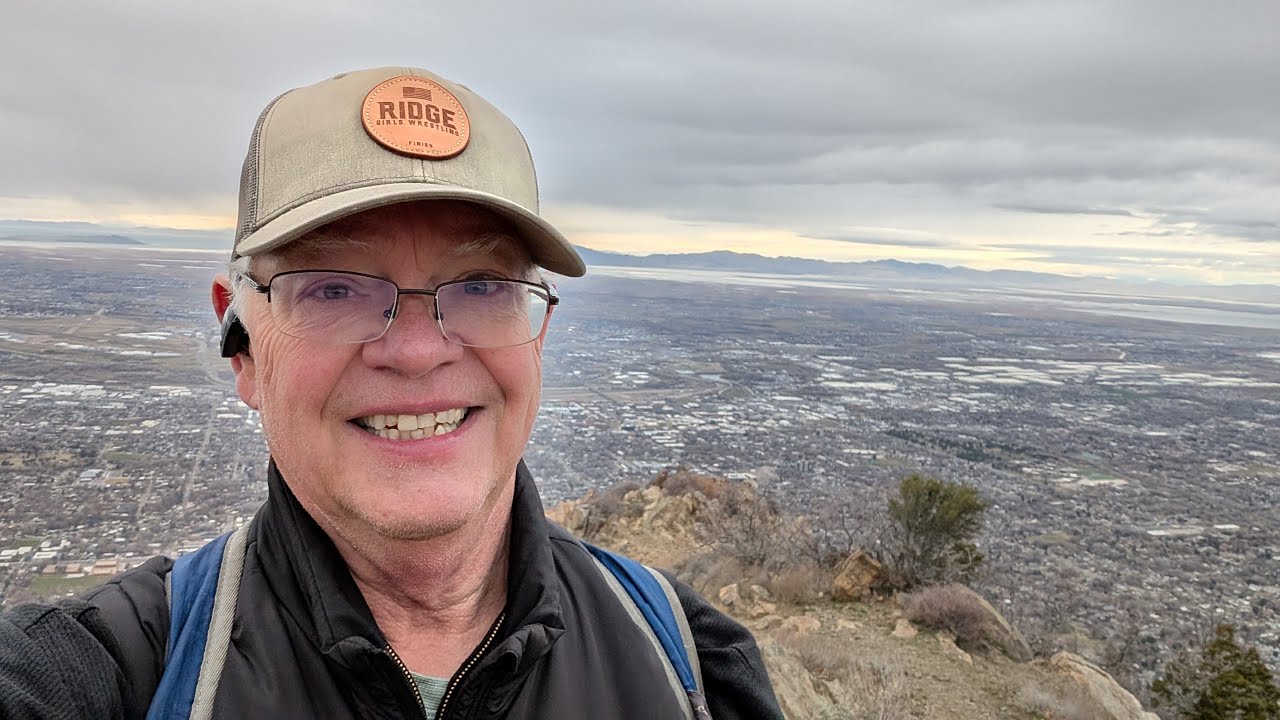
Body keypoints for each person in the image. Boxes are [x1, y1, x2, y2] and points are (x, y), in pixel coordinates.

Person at [0, 66, 782, 719]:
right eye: (334, 288)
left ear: (537, 333)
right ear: (244, 346)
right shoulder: (120, 673)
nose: (416, 351)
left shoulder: (688, 660)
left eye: (481, 284)